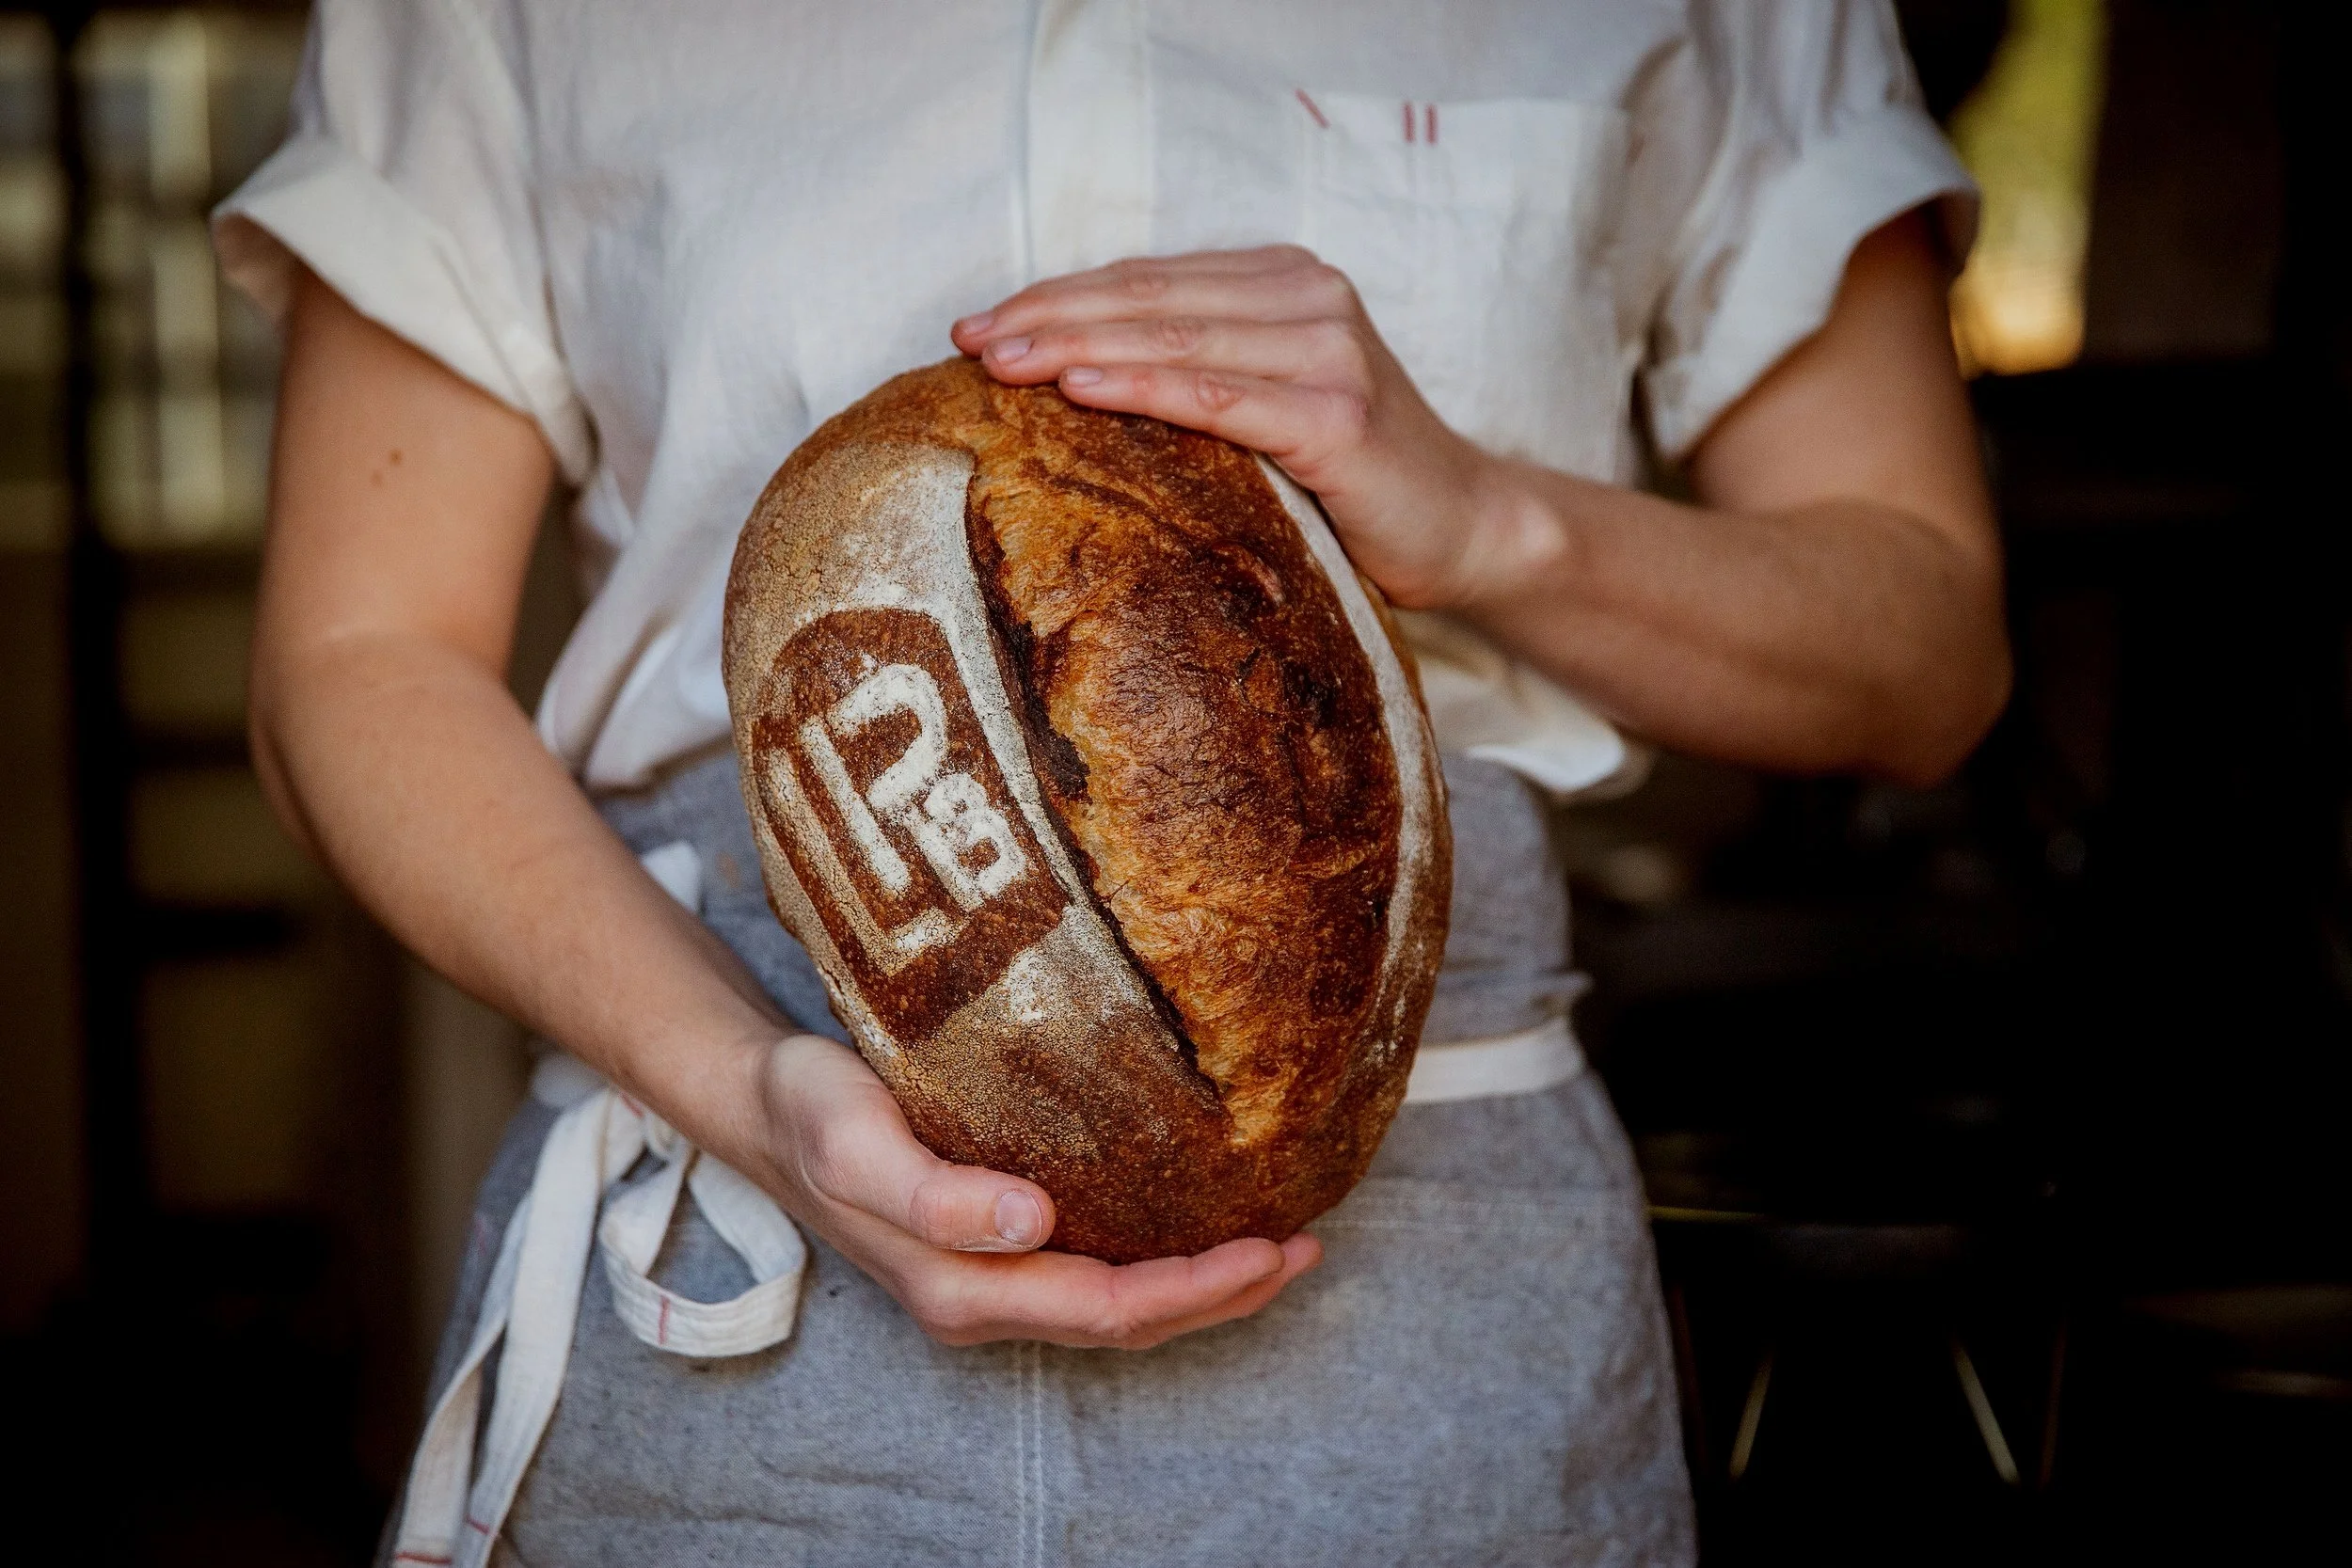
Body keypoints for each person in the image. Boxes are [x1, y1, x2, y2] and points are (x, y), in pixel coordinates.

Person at [216, 2, 2007, 1562]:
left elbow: (1930, 652)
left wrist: (1492, 520)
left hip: (1430, 1289)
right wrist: (745, 1080)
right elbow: (356, 665)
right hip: (727, 1215)